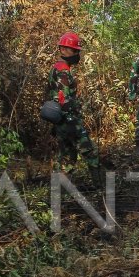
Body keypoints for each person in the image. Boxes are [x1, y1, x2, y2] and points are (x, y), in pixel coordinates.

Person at [47, 31, 102, 188]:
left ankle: (58, 193)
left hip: (61, 121)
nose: (77, 54)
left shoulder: (56, 68)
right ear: (63, 50)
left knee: (67, 157)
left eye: (77, 51)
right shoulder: (63, 71)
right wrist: (72, 122)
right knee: (90, 153)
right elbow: (62, 100)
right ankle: (101, 190)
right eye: (74, 50)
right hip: (68, 121)